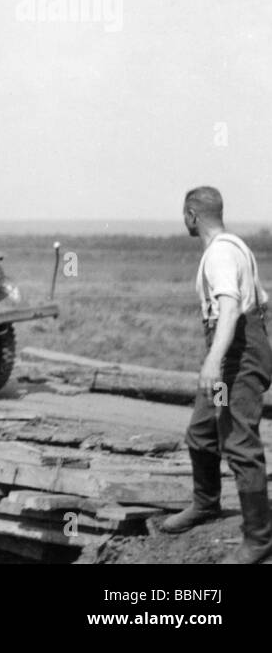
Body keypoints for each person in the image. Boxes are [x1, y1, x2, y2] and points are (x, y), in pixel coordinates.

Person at [160, 186, 272, 563]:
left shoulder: (220, 254)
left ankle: (258, 538)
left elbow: (229, 309)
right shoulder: (233, 247)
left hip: (236, 359)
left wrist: (214, 361)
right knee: (204, 430)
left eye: (184, 216)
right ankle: (206, 503)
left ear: (192, 215)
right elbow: (259, 299)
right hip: (233, 357)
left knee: (240, 442)